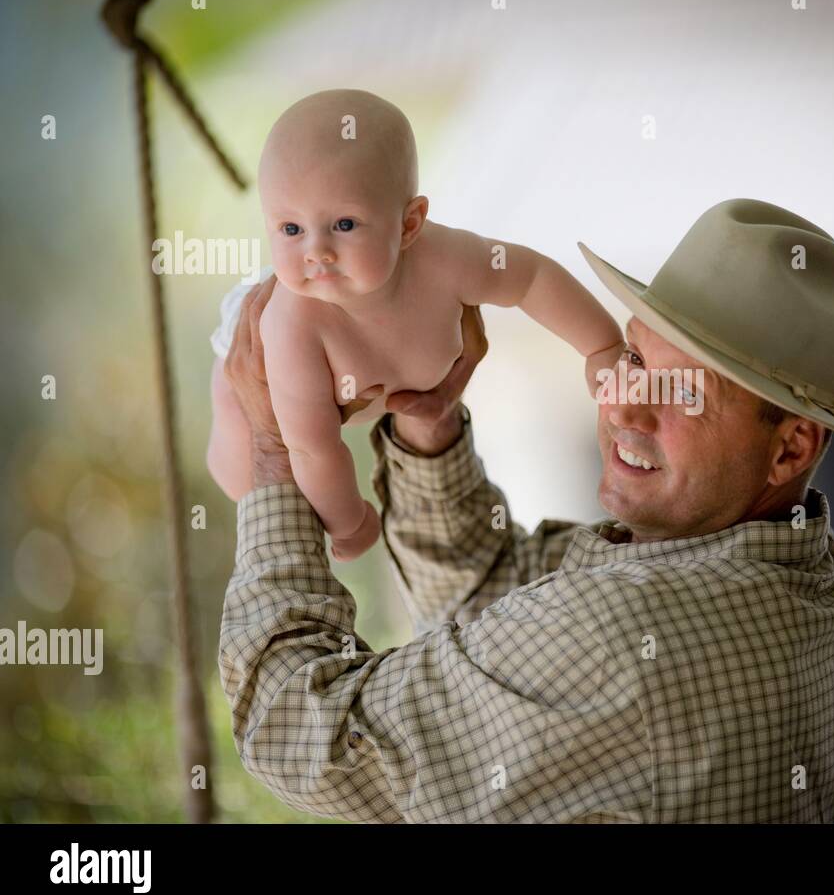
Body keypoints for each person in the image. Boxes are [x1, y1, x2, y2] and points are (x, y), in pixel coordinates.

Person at [218, 198, 834, 822]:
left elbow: (302, 735)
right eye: (635, 357)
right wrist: (427, 425)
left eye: (686, 393)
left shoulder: (632, 633)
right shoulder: (819, 580)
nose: (622, 402)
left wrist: (273, 457)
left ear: (791, 449)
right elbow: (484, 600)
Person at [206, 88, 623, 560]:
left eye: (344, 224)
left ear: (409, 224)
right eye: (290, 229)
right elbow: (310, 448)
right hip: (256, 362)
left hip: (381, 386)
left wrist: (602, 346)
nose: (315, 251)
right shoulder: (290, 323)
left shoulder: (447, 260)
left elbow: (530, 278)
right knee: (242, 469)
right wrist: (349, 524)